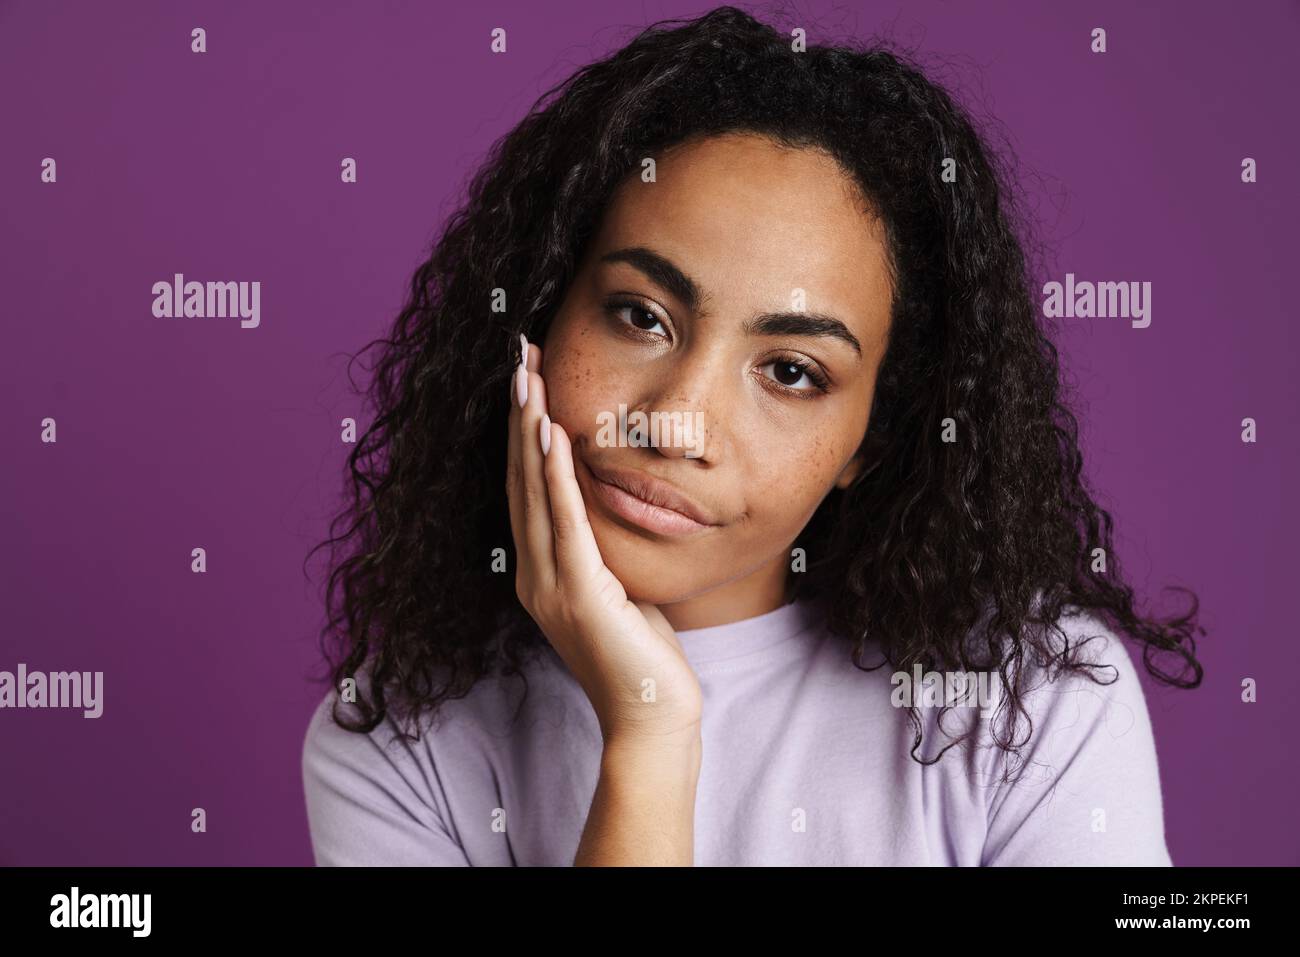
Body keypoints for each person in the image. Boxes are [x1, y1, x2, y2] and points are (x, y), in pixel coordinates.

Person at [301, 6, 1203, 866]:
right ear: (538, 313)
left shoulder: (1032, 704)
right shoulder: (397, 738)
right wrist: (648, 736)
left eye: (792, 371)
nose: (676, 419)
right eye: (638, 315)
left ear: (871, 442)